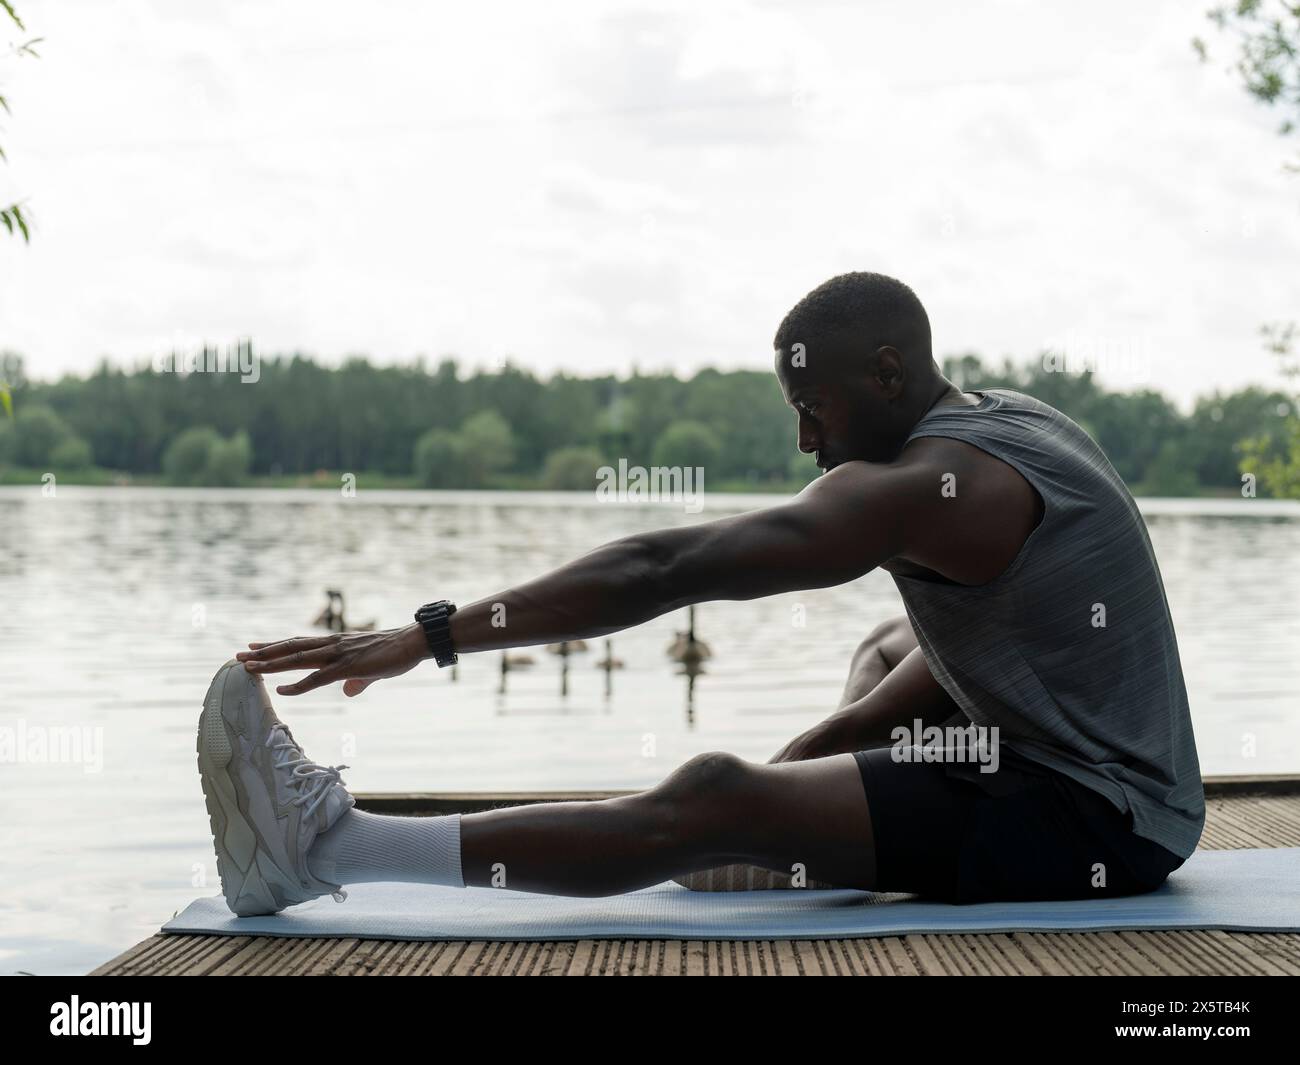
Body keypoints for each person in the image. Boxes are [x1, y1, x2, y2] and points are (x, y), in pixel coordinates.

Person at [198, 271, 1205, 917]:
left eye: (812, 410)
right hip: (1066, 756)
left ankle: (326, 848)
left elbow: (664, 570)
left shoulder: (927, 492)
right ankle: (790, 825)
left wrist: (432, 635)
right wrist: (823, 749)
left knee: (710, 793)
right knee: (890, 650)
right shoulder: (1007, 419)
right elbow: (976, 642)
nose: (805, 442)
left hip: (1100, 819)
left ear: (887, 372)